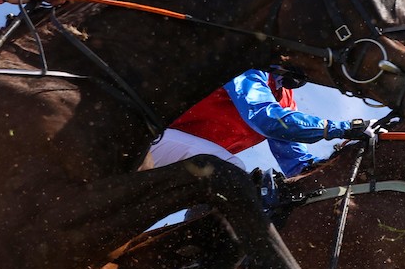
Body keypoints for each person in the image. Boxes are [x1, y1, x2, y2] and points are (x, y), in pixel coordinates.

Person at [151, 68, 371, 201]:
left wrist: (345, 156)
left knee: (258, 191)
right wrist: (341, 128)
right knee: (231, 173)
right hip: (148, 140)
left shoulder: (286, 98)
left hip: (186, 160)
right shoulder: (248, 69)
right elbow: (265, 119)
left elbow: (297, 164)